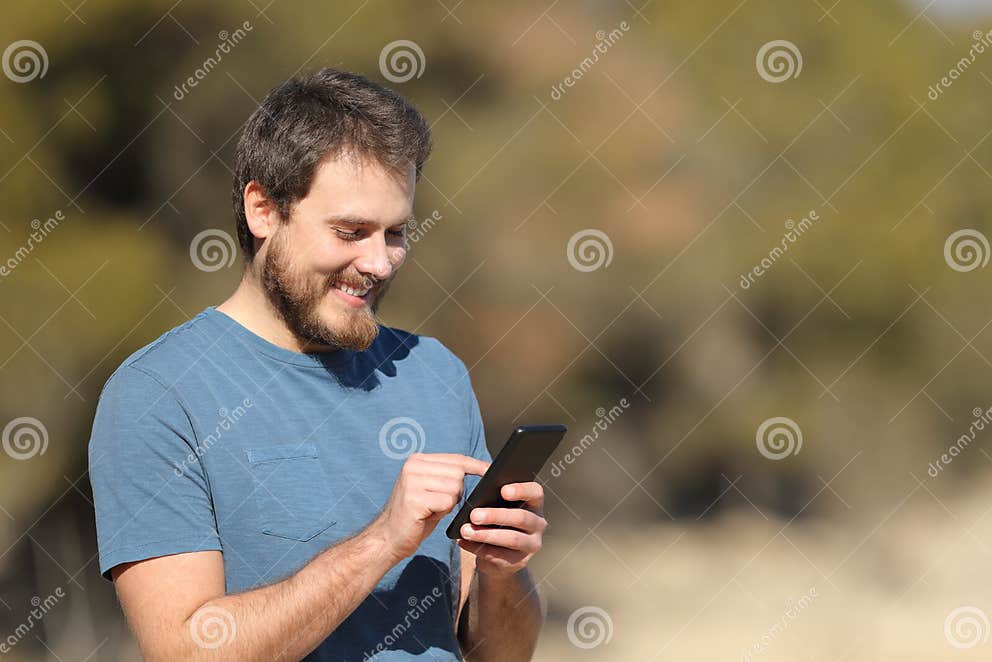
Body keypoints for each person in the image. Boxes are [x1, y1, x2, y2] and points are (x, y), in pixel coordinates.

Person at [87, 67, 546, 661]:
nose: (379, 263)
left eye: (396, 232)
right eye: (351, 231)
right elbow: (185, 652)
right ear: (263, 211)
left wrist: (502, 574)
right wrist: (382, 542)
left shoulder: (435, 373)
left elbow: (498, 655)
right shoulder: (158, 395)